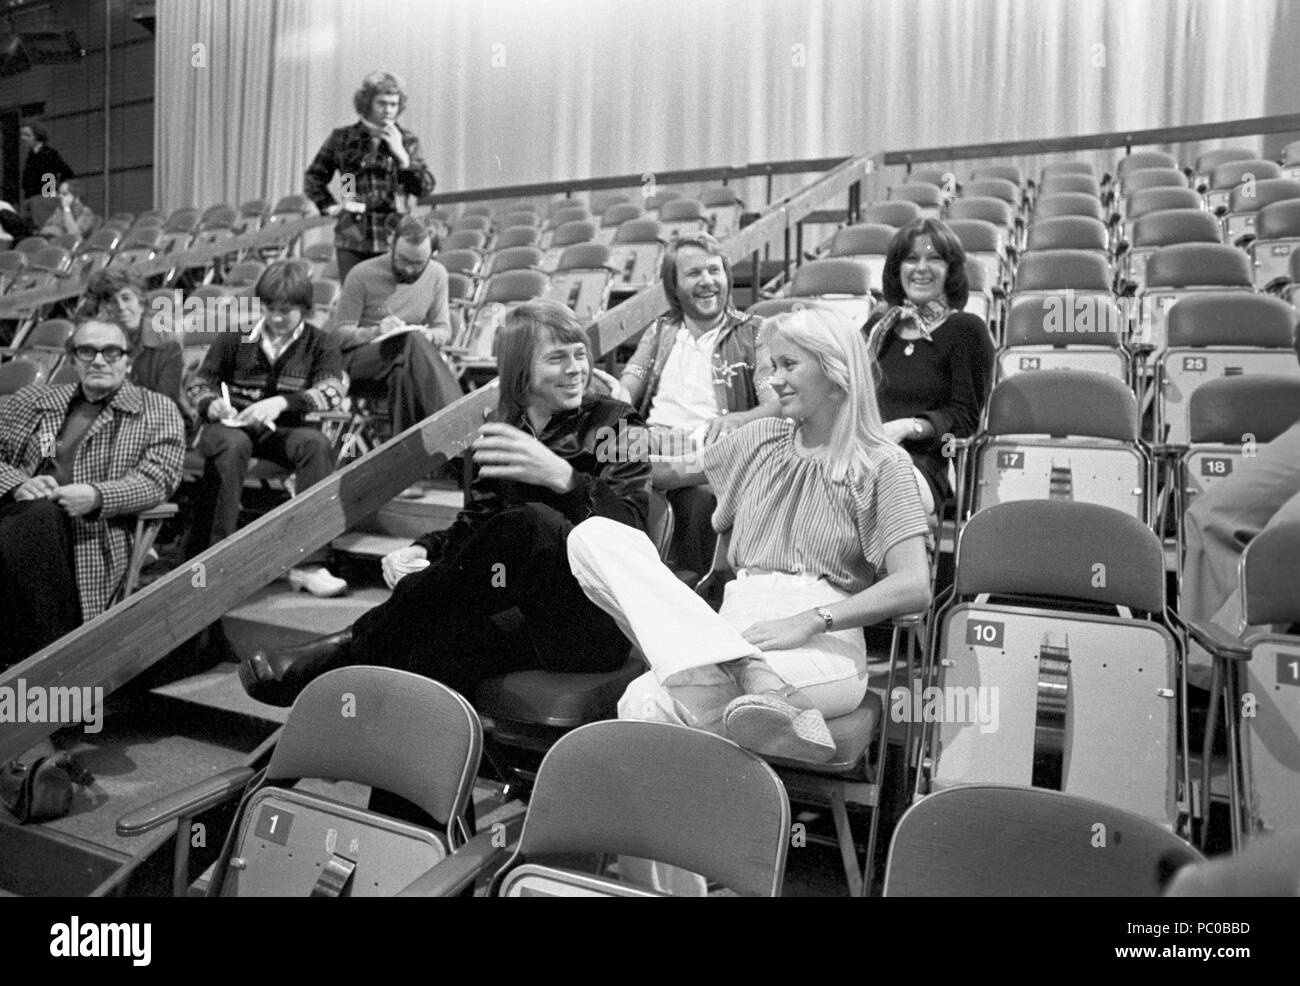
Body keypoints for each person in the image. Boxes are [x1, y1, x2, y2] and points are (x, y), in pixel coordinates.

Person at [237, 299, 651, 707]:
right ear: (521, 371)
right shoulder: (500, 429)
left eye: (580, 355)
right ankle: (388, 760)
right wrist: (425, 548)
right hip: (513, 610)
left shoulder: (617, 422)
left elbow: (631, 530)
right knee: (422, 649)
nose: (576, 369)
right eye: (557, 358)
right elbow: (478, 527)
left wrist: (565, 479)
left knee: (531, 522)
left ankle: (341, 648)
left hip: (588, 622)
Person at [568, 306, 933, 764]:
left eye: (789, 365)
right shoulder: (760, 436)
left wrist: (808, 620)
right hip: (731, 624)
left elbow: (914, 586)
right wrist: (578, 451)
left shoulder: (883, 463)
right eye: (771, 366)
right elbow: (668, 472)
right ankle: (749, 674)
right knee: (593, 535)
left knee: (646, 702)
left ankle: (718, 801)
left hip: (819, 636)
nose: (774, 381)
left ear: (836, 371)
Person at [0, 318, 185, 667]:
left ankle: (54, 673)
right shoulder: (35, 400)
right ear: (72, 359)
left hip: (92, 531)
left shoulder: (157, 410)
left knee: (38, 519)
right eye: (87, 351)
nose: (99, 360)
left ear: (128, 360)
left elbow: (158, 478)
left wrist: (98, 496)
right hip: (19, 513)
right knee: (32, 518)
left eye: (111, 352)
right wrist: (18, 483)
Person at [616, 233, 781, 575]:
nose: (707, 281)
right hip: (656, 441)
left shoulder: (754, 332)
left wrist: (740, 419)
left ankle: (694, 592)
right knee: (606, 466)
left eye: (714, 270)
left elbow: (776, 403)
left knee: (697, 499)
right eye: (694, 274)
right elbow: (625, 389)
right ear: (673, 286)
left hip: (710, 451)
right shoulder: (660, 332)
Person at [183, 261, 349, 596]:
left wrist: (285, 403)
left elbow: (333, 390)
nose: (276, 318)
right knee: (232, 445)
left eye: (286, 311)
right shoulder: (235, 337)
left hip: (282, 431)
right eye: (270, 309)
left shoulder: (321, 342)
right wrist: (211, 403)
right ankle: (216, 558)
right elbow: (200, 383)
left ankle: (309, 563)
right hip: (230, 427)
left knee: (316, 444)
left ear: (305, 308)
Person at [861, 218, 994, 517]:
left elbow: (964, 418)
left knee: (870, 481)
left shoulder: (965, 329)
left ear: (951, 272)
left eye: (934, 258)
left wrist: (910, 426)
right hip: (866, 453)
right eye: (911, 259)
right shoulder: (879, 327)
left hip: (928, 463)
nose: (921, 268)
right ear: (898, 270)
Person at [326, 215, 463, 434]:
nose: (408, 269)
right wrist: (375, 331)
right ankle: (459, 425)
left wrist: (429, 337)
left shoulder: (437, 275)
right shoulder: (361, 274)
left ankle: (409, 458)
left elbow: (443, 329)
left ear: (432, 256)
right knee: (410, 344)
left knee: (404, 374)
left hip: (405, 359)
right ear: (391, 246)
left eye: (418, 264)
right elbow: (339, 336)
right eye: (402, 260)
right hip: (356, 360)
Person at [304, 71, 436, 282]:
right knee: (354, 297)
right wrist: (329, 206)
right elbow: (314, 177)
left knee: (389, 301)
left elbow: (424, 187)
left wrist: (403, 158)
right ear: (367, 103)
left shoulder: (408, 140)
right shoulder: (343, 138)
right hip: (352, 235)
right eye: (382, 103)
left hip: (394, 233)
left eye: (394, 104)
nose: (389, 110)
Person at [83, 269, 185, 416]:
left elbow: (164, 402)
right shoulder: (95, 343)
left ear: (141, 303)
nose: (121, 307)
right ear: (101, 309)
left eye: (126, 298)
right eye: (111, 301)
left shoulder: (166, 340)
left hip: (162, 421)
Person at [19, 121, 75, 205]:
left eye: (27, 135)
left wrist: (56, 191)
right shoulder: (31, 156)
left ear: (37, 136)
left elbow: (68, 173)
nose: (23, 138)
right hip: (33, 200)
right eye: (22, 135)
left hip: (46, 199)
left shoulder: (49, 153)